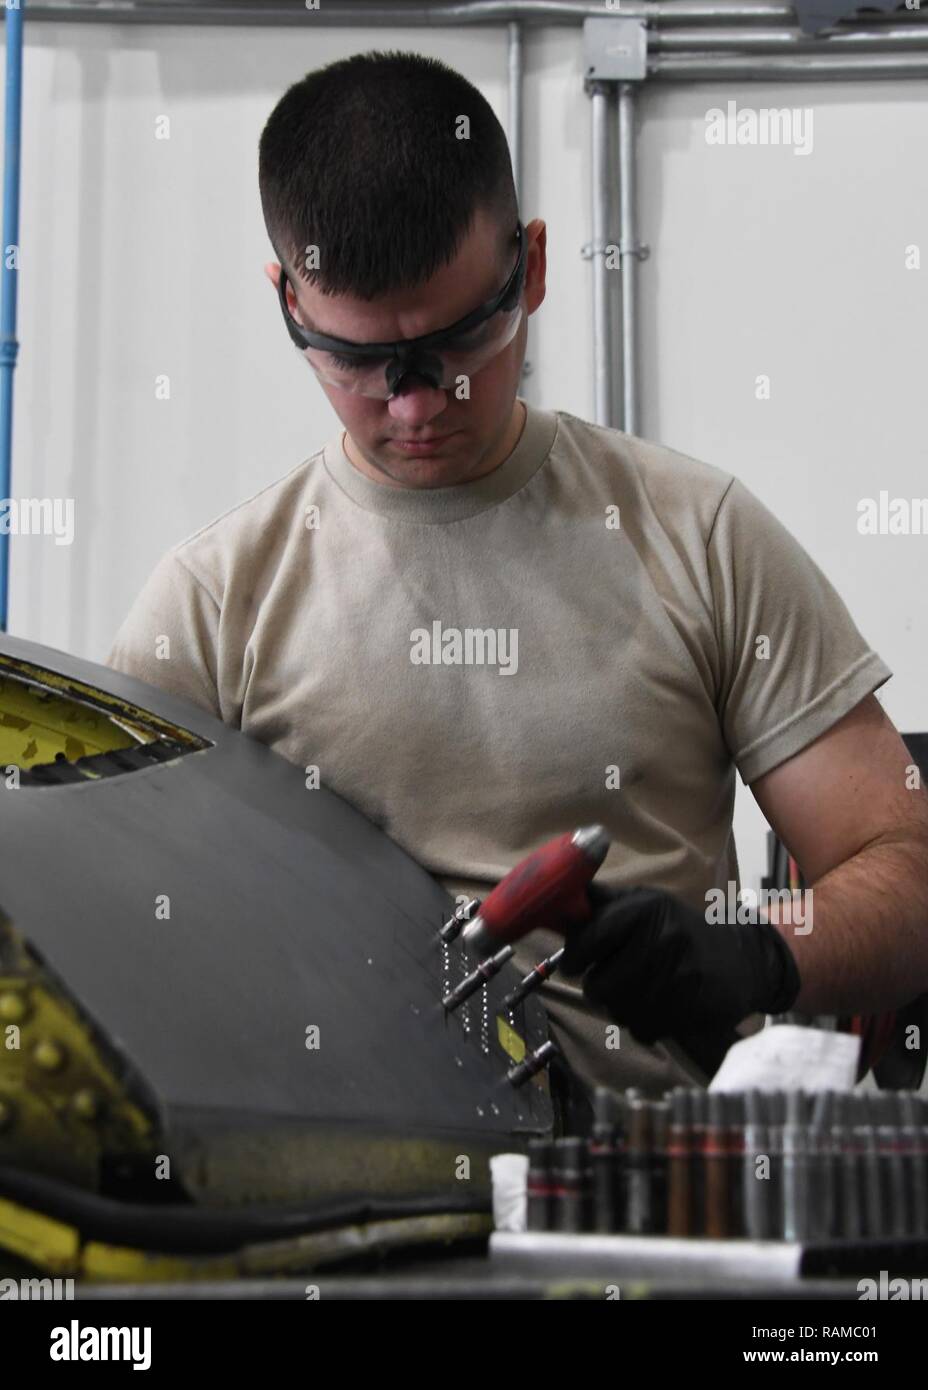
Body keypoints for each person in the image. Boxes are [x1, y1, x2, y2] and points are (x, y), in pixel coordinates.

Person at [107, 51, 928, 1099]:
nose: (414, 404)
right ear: (287, 303)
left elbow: (899, 862)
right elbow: (118, 950)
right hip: (344, 1218)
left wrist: (761, 955)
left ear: (531, 266)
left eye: (462, 340)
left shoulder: (700, 535)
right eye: (359, 361)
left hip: (656, 1213)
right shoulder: (212, 608)